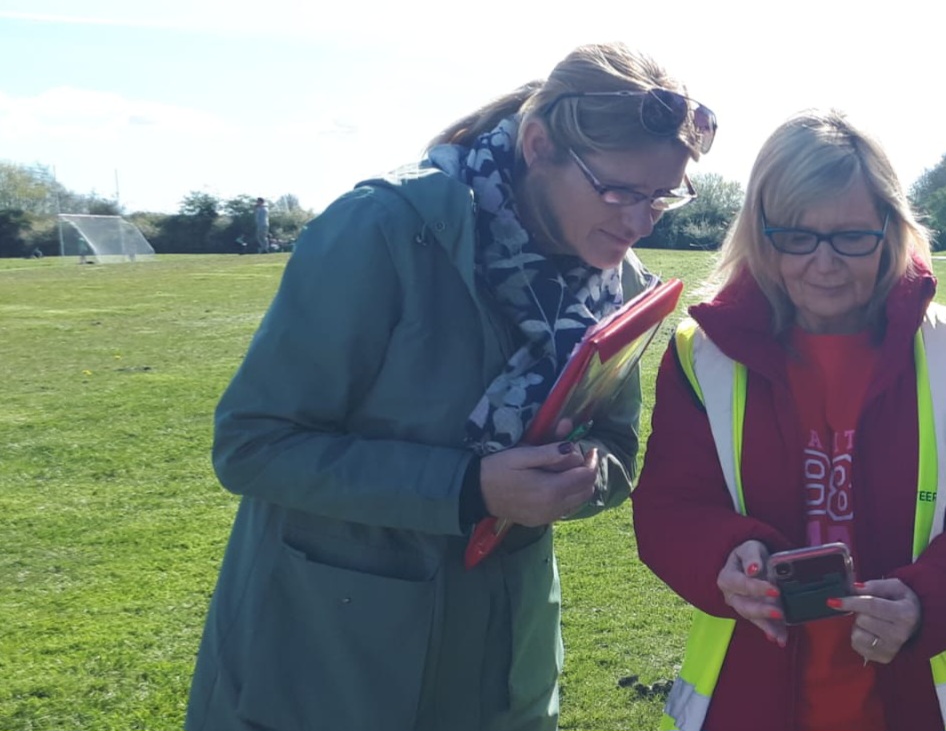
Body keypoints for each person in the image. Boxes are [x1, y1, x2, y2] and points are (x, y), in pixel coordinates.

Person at [185, 43, 717, 731]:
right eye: (620, 190)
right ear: (537, 146)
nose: (642, 220)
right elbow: (253, 445)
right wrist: (469, 488)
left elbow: (615, 443)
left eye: (663, 196)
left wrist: (584, 476)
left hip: (502, 660)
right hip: (328, 661)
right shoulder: (385, 228)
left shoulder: (617, 281)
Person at [633, 109, 946, 731]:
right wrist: (726, 557)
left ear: (892, 229)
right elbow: (668, 508)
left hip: (919, 700)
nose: (824, 263)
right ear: (760, 233)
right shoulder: (701, 354)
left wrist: (925, 601)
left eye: (851, 236)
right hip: (755, 696)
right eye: (796, 236)